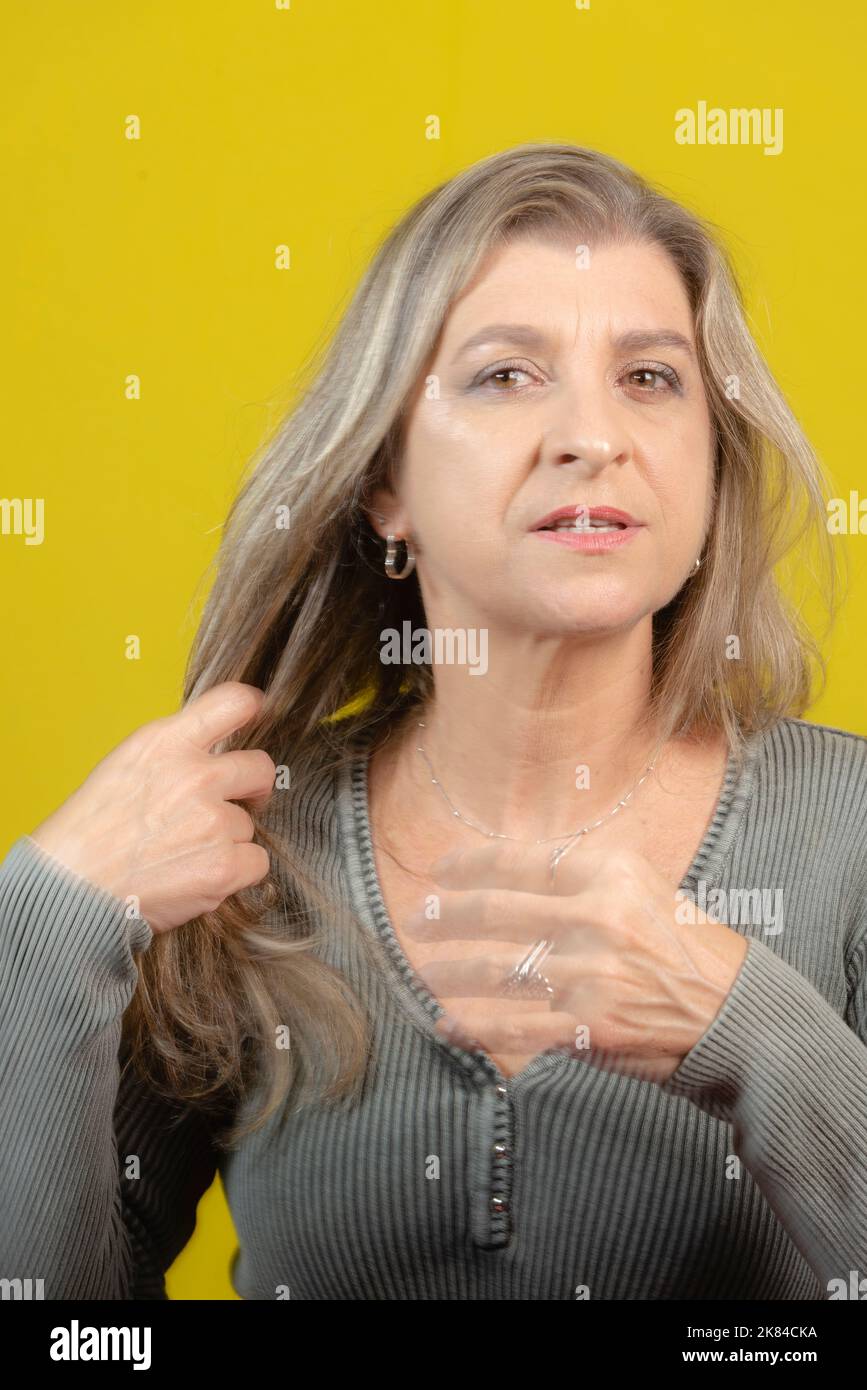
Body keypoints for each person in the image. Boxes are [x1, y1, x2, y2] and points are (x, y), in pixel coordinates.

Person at [1, 142, 865, 1301]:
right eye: (508, 375)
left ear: (709, 468)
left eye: (652, 378)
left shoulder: (846, 837)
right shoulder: (248, 850)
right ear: (384, 483)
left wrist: (756, 1032)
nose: (592, 435)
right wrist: (48, 919)